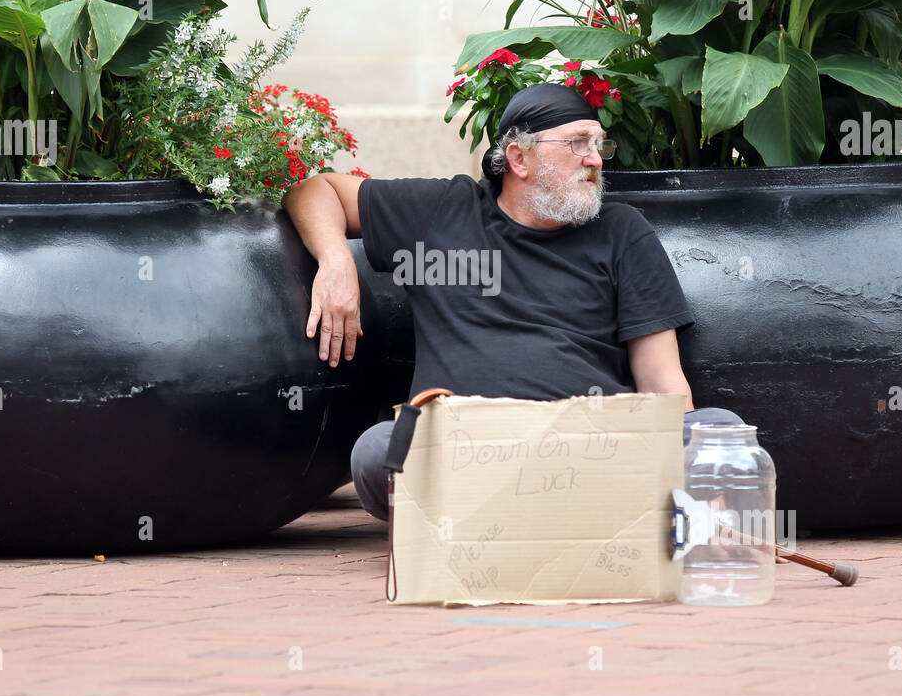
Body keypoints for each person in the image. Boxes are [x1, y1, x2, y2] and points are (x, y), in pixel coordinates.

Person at [282, 83, 744, 521]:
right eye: (578, 144)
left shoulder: (622, 231)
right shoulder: (443, 211)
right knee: (378, 450)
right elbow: (314, 190)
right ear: (519, 158)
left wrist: (687, 454)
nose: (595, 160)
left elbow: (662, 378)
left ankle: (516, 515)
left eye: (599, 145)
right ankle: (566, 513)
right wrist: (335, 258)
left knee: (719, 432)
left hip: (593, 444)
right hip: (467, 445)